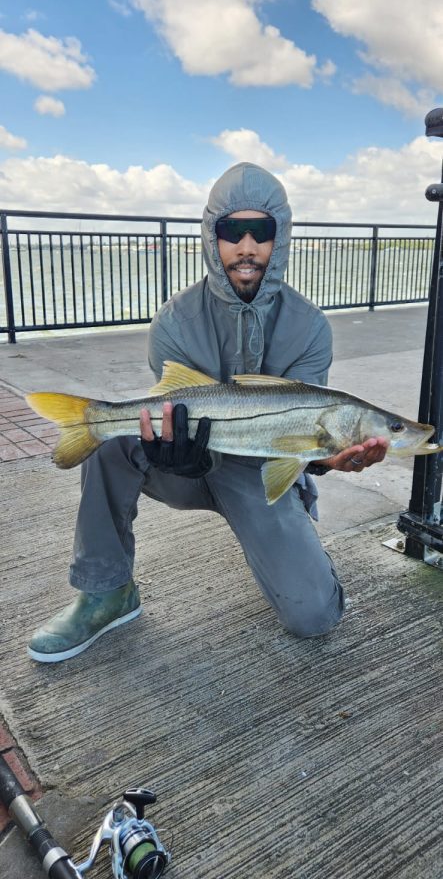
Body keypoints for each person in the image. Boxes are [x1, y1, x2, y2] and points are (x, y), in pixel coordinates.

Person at [27, 162, 387, 662]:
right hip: (185, 466)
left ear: (279, 238)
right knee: (112, 440)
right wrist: (172, 452)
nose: (245, 246)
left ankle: (299, 549)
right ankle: (106, 590)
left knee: (314, 618)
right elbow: (172, 398)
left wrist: (329, 461)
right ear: (210, 236)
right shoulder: (174, 320)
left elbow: (306, 439)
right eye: (230, 231)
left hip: (262, 475)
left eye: (260, 231)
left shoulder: (309, 328)